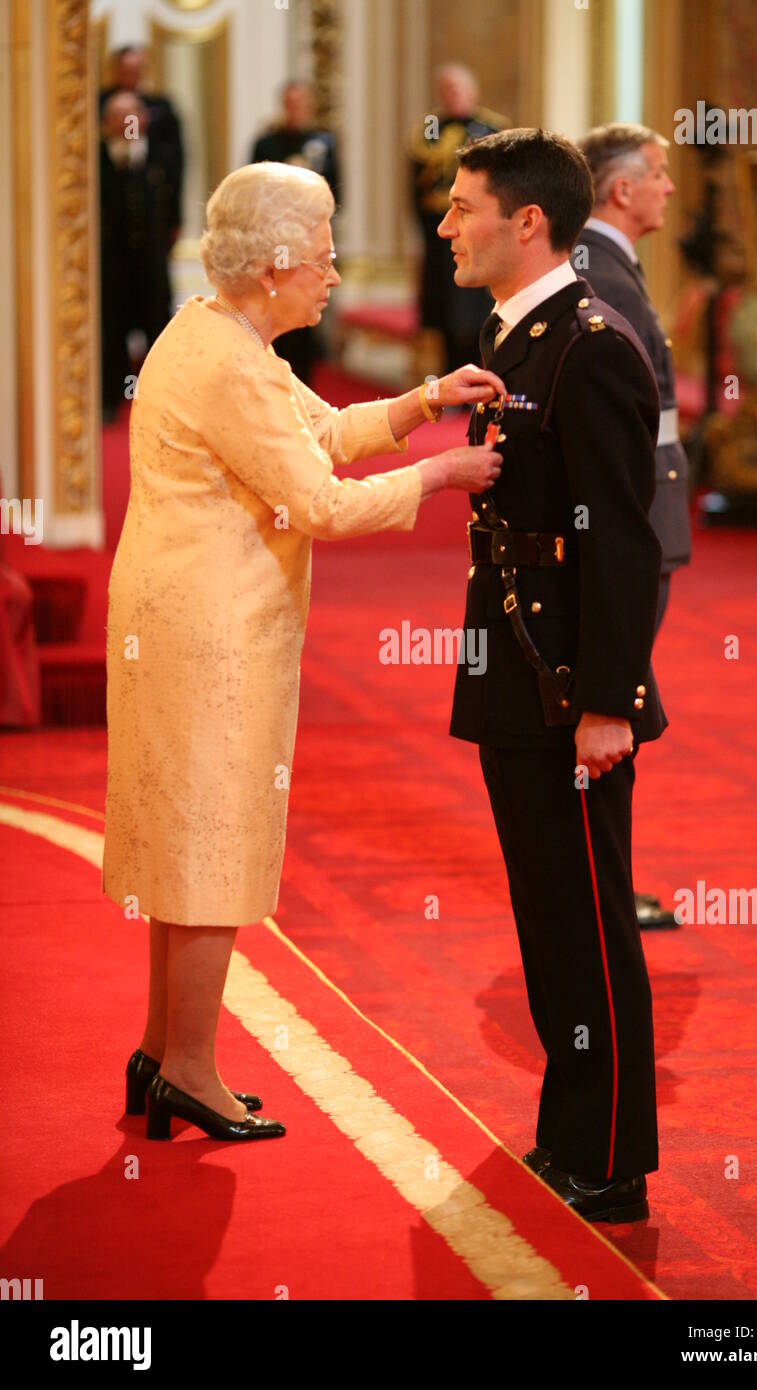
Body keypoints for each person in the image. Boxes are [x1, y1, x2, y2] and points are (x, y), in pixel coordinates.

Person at [102, 162, 505, 1144]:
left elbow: (319, 433)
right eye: (322, 259)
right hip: (207, 630)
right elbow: (317, 502)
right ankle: (190, 1066)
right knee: (209, 844)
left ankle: (163, 1052)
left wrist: (423, 400)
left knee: (184, 835)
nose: (332, 275)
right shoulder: (229, 359)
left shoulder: (219, 332)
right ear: (274, 263)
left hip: (185, 612)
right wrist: (445, 472)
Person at [441, 129, 665, 1222]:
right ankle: (570, 1130)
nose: (444, 225)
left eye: (460, 205)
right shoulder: (516, 337)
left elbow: (621, 544)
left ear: (525, 221)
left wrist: (602, 704)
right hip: (515, 669)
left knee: (585, 923)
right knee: (546, 918)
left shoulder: (588, 345)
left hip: (568, 682)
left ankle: (611, 1156)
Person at [575, 123, 691, 931]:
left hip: (647, 519)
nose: (669, 188)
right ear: (621, 189)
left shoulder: (612, 265)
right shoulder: (602, 272)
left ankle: (605, 886)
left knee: (616, 710)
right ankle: (601, 891)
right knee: (611, 712)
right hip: (633, 524)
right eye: (658, 174)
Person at [408, 65, 508, 373]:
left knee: (475, 310)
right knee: (444, 313)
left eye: (460, 89)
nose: (454, 96)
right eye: (448, 90)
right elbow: (416, 185)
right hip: (441, 236)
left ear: (473, 92)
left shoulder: (491, 128)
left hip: (479, 235)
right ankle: (449, 377)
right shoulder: (430, 128)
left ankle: (478, 375)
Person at [250, 81, 341, 383]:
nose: (295, 109)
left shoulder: (325, 142)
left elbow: (337, 194)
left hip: (311, 243)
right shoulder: (267, 144)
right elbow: (253, 191)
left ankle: (304, 384)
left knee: (308, 306)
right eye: (290, 103)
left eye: (301, 103)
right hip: (277, 242)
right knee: (279, 302)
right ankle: (274, 376)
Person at [99, 92, 175, 418]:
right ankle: (110, 401)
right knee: (113, 333)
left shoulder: (158, 155)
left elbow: (170, 206)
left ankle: (160, 401)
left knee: (157, 332)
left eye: (132, 115)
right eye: (119, 116)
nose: (127, 122)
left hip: (152, 263)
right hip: (114, 264)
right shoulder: (97, 159)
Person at [99, 45, 184, 242]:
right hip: (111, 219)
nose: (132, 76)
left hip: (151, 215)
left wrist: (175, 215)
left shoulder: (161, 108)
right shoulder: (98, 103)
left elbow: (175, 164)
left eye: (137, 70)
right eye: (126, 70)